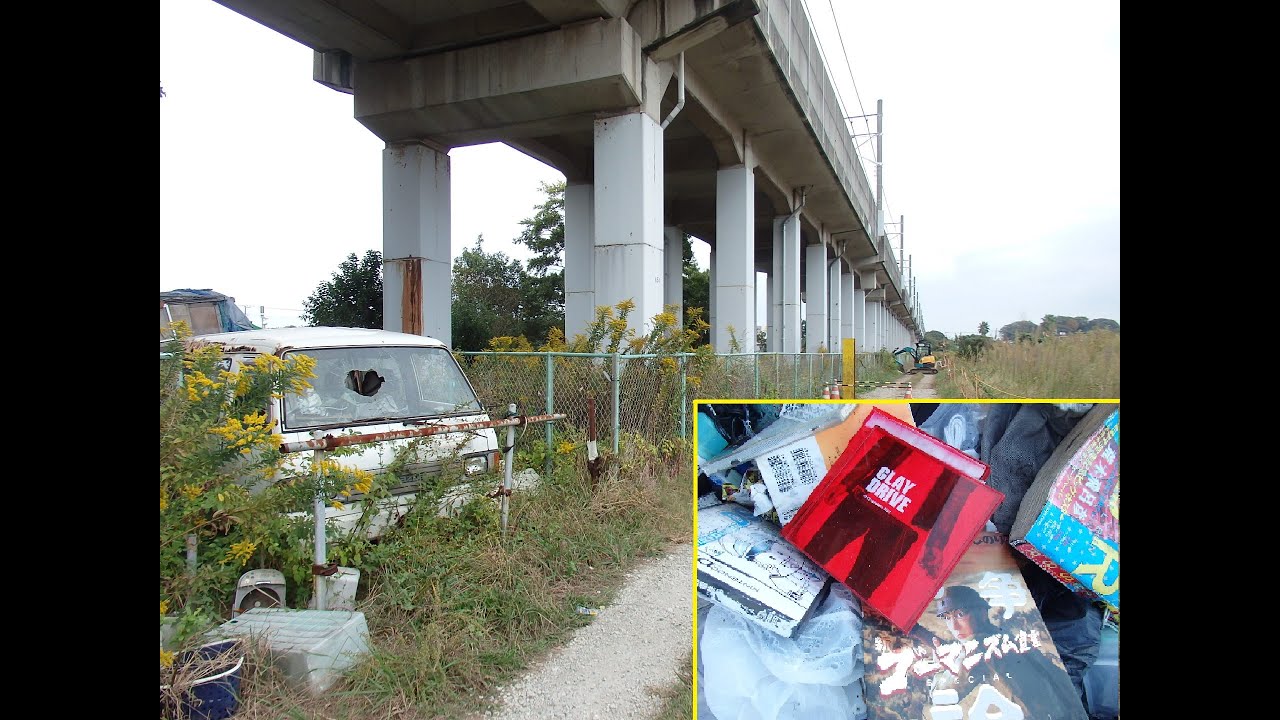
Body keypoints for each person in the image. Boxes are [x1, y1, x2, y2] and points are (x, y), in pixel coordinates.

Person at [930, 585, 1087, 719]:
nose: (954, 626)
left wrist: (941, 666)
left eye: (960, 614)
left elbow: (942, 695)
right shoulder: (1008, 636)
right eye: (946, 618)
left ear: (982, 613)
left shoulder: (976, 647)